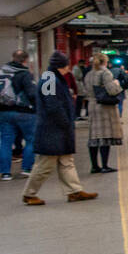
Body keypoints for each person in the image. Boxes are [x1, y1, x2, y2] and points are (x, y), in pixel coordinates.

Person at [22, 50, 96, 205]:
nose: (69, 68)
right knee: (45, 164)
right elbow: (52, 105)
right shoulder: (49, 79)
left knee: (66, 161)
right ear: (61, 66)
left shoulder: (55, 78)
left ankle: (74, 191)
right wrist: (65, 122)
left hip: (59, 129)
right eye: (67, 65)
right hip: (52, 129)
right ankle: (29, 194)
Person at [0, 49, 37, 180]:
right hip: (24, 113)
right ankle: (26, 168)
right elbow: (31, 93)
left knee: (5, 142)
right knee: (30, 140)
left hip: (4, 112)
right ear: (26, 60)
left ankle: (5, 173)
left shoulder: (3, 71)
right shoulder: (24, 73)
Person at [84, 53, 124, 173]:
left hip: (92, 106)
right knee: (105, 136)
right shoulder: (105, 73)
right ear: (105, 62)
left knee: (94, 137)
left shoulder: (89, 74)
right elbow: (112, 91)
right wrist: (117, 84)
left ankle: (95, 166)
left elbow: (85, 89)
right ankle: (105, 165)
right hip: (104, 107)